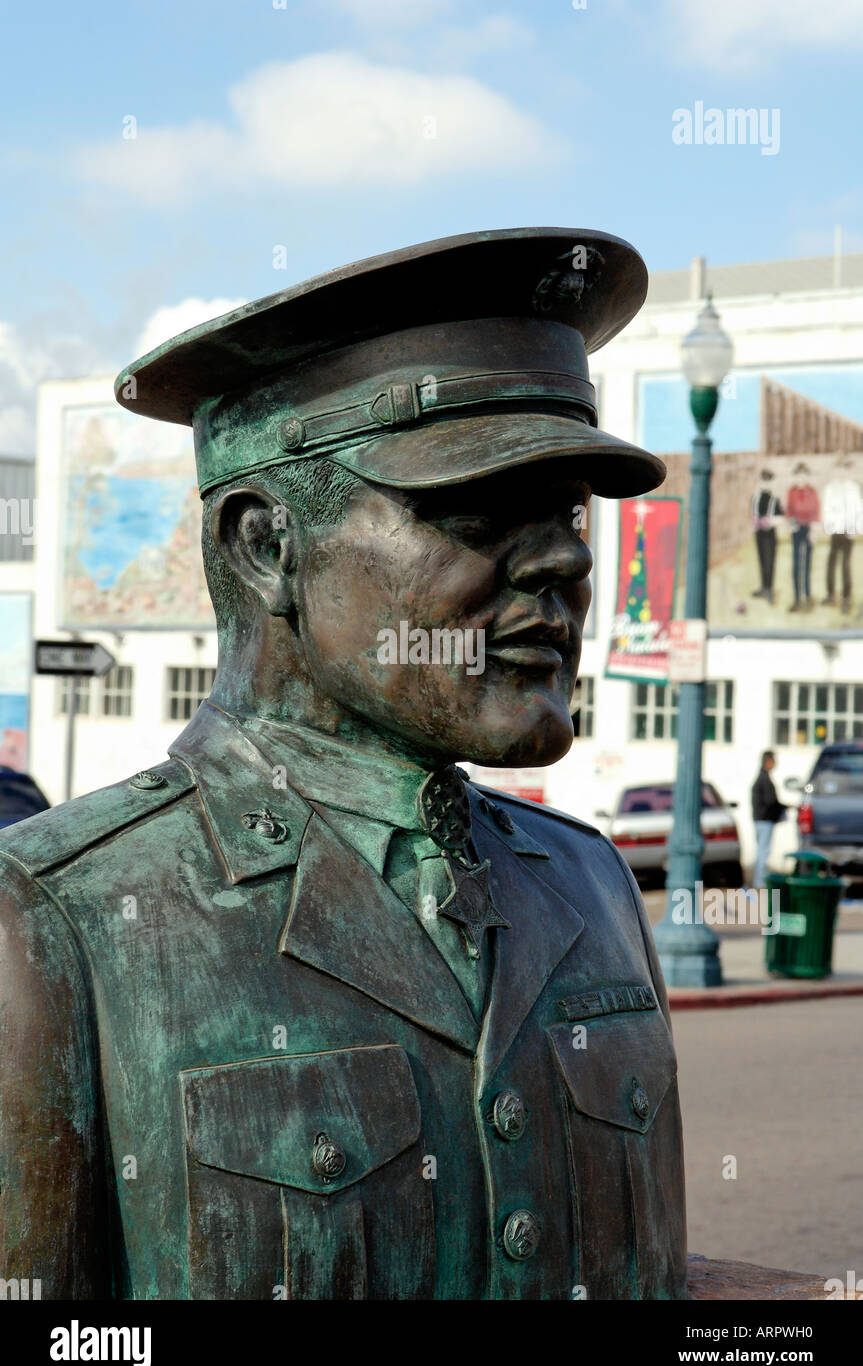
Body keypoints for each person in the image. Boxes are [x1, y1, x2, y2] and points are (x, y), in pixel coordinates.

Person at [0, 229, 687, 1301]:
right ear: (263, 546)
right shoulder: (57, 921)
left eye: (561, 513)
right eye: (475, 511)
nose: (566, 559)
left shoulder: (590, 885)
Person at [822, 454, 862, 616]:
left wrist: (856, 529)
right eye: (840, 470)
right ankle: (831, 595)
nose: (843, 474)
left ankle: (846, 598)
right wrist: (829, 527)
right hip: (835, 531)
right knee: (831, 563)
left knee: (845, 564)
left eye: (846, 470)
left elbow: (859, 510)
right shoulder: (831, 488)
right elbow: (827, 509)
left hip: (848, 531)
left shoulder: (854, 488)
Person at [786, 461, 820, 612]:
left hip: (808, 529)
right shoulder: (792, 492)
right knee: (796, 564)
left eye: (804, 476)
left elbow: (816, 512)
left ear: (807, 477)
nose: (801, 480)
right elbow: (789, 510)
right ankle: (797, 598)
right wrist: (791, 523)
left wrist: (814, 530)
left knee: (806, 564)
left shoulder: (812, 492)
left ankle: (807, 596)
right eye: (798, 476)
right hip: (797, 529)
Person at [751, 750, 785, 888]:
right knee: (763, 851)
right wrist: (783, 807)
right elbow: (771, 801)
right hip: (764, 820)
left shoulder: (762, 778)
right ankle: (759, 881)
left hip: (761, 819)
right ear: (768, 762)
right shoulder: (764, 779)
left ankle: (759, 879)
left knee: (761, 850)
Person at [750, 468, 783, 603]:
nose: (765, 484)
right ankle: (763, 587)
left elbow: (781, 517)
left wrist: (770, 521)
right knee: (762, 559)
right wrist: (755, 521)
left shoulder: (774, 499)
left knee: (770, 561)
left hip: (770, 534)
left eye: (768, 481)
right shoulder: (755, 498)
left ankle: (770, 589)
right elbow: (752, 515)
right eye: (763, 481)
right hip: (759, 534)